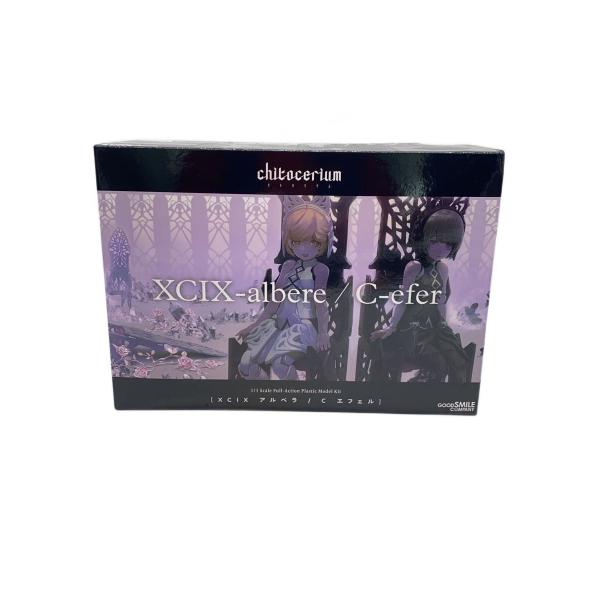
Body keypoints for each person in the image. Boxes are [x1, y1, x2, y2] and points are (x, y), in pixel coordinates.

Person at [370, 209, 469, 382]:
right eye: (435, 241)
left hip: (434, 324)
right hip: (412, 325)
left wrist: (443, 324)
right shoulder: (415, 267)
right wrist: (392, 326)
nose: (442, 249)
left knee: (456, 359)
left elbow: (441, 301)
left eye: (448, 244)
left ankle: (435, 390)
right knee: (436, 362)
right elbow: (403, 300)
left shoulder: (443, 269)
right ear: (425, 238)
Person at [237, 202, 332, 380]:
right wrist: (253, 326)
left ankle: (294, 394)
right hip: (277, 324)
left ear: (321, 242)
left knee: (280, 365)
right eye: (297, 242)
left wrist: (323, 332)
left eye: (312, 242)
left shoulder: (320, 270)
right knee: (246, 362)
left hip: (302, 327)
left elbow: (320, 304)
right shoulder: (288, 266)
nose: (304, 249)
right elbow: (274, 302)